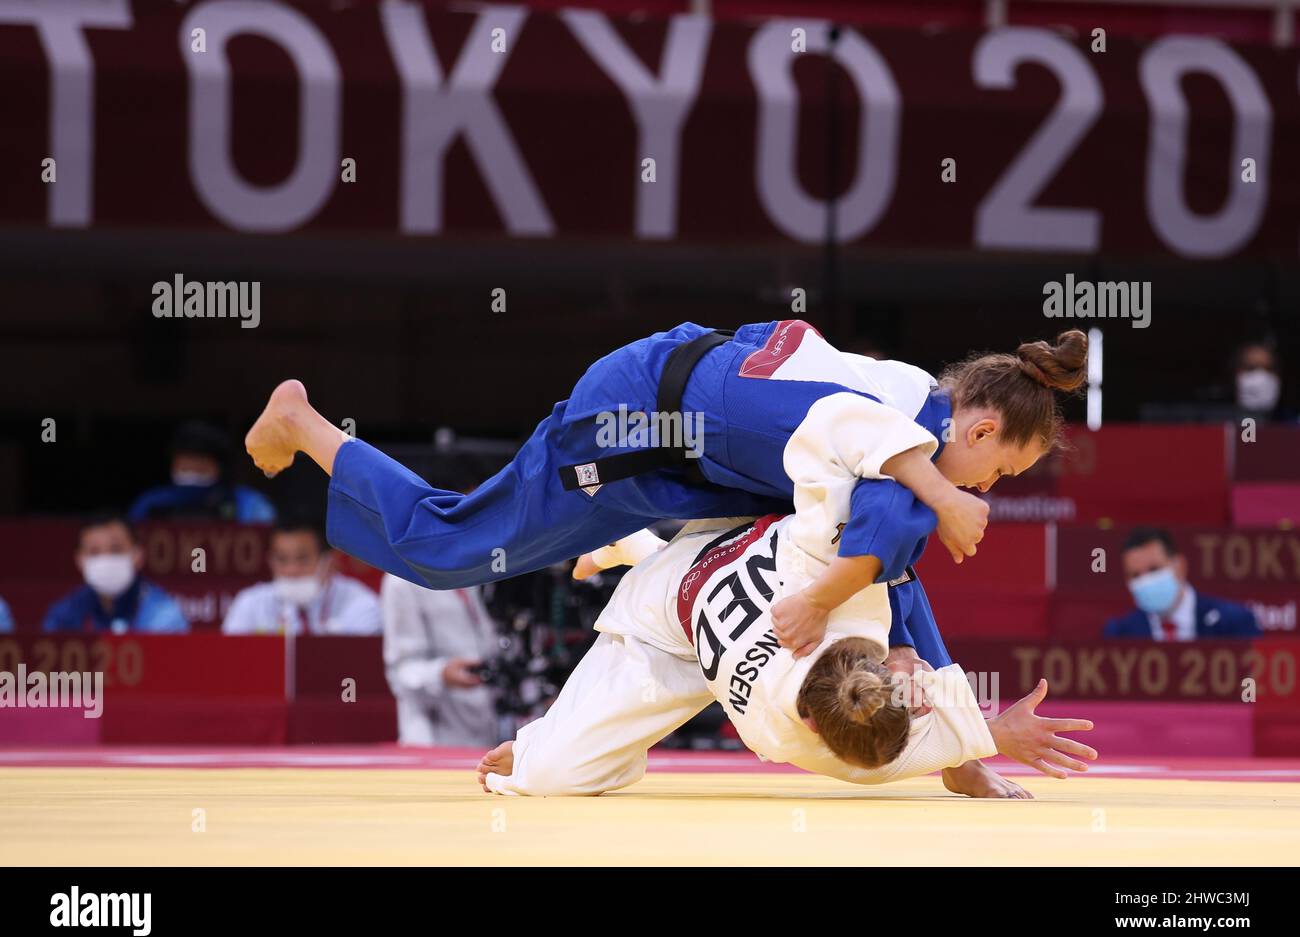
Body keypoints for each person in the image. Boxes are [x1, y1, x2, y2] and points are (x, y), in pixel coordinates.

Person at [244, 321, 1085, 653]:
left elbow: (893, 577)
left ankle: (622, 543)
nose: (991, 491)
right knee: (446, 547)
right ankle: (307, 424)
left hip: (676, 440)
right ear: (977, 430)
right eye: (1001, 473)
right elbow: (890, 532)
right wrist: (944, 496)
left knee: (816, 538)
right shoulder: (902, 450)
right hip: (640, 427)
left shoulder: (907, 395)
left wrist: (966, 742)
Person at [477, 514, 1096, 799]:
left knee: (544, 773)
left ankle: (637, 545)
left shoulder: (849, 617)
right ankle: (640, 545)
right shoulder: (793, 734)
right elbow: (893, 515)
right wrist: (979, 739)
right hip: (668, 613)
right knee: (547, 774)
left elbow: (898, 547)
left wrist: (913, 662)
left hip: (705, 597)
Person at [381, 572, 500, 747]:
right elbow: (400, 672)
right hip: (434, 739)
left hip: (487, 728)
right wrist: (442, 674)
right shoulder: (401, 580)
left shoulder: (472, 571)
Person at [222, 518, 380, 637]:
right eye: (282, 559)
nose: (292, 570)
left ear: (328, 562)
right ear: (270, 562)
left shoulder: (361, 602)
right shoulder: (250, 603)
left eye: (303, 559)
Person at [43, 512, 190, 634]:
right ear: (79, 560)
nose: (105, 559)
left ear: (137, 555)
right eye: (94, 552)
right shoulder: (62, 615)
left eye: (116, 550)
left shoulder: (165, 617)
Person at [1104, 527, 1261, 640]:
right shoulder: (1119, 633)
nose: (1145, 581)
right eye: (1135, 575)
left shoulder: (1234, 621)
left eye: (1154, 570)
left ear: (1180, 566)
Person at [129, 421, 276, 524]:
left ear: (219, 468)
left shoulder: (250, 504)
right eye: (185, 469)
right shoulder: (150, 504)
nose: (192, 474)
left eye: (200, 468)